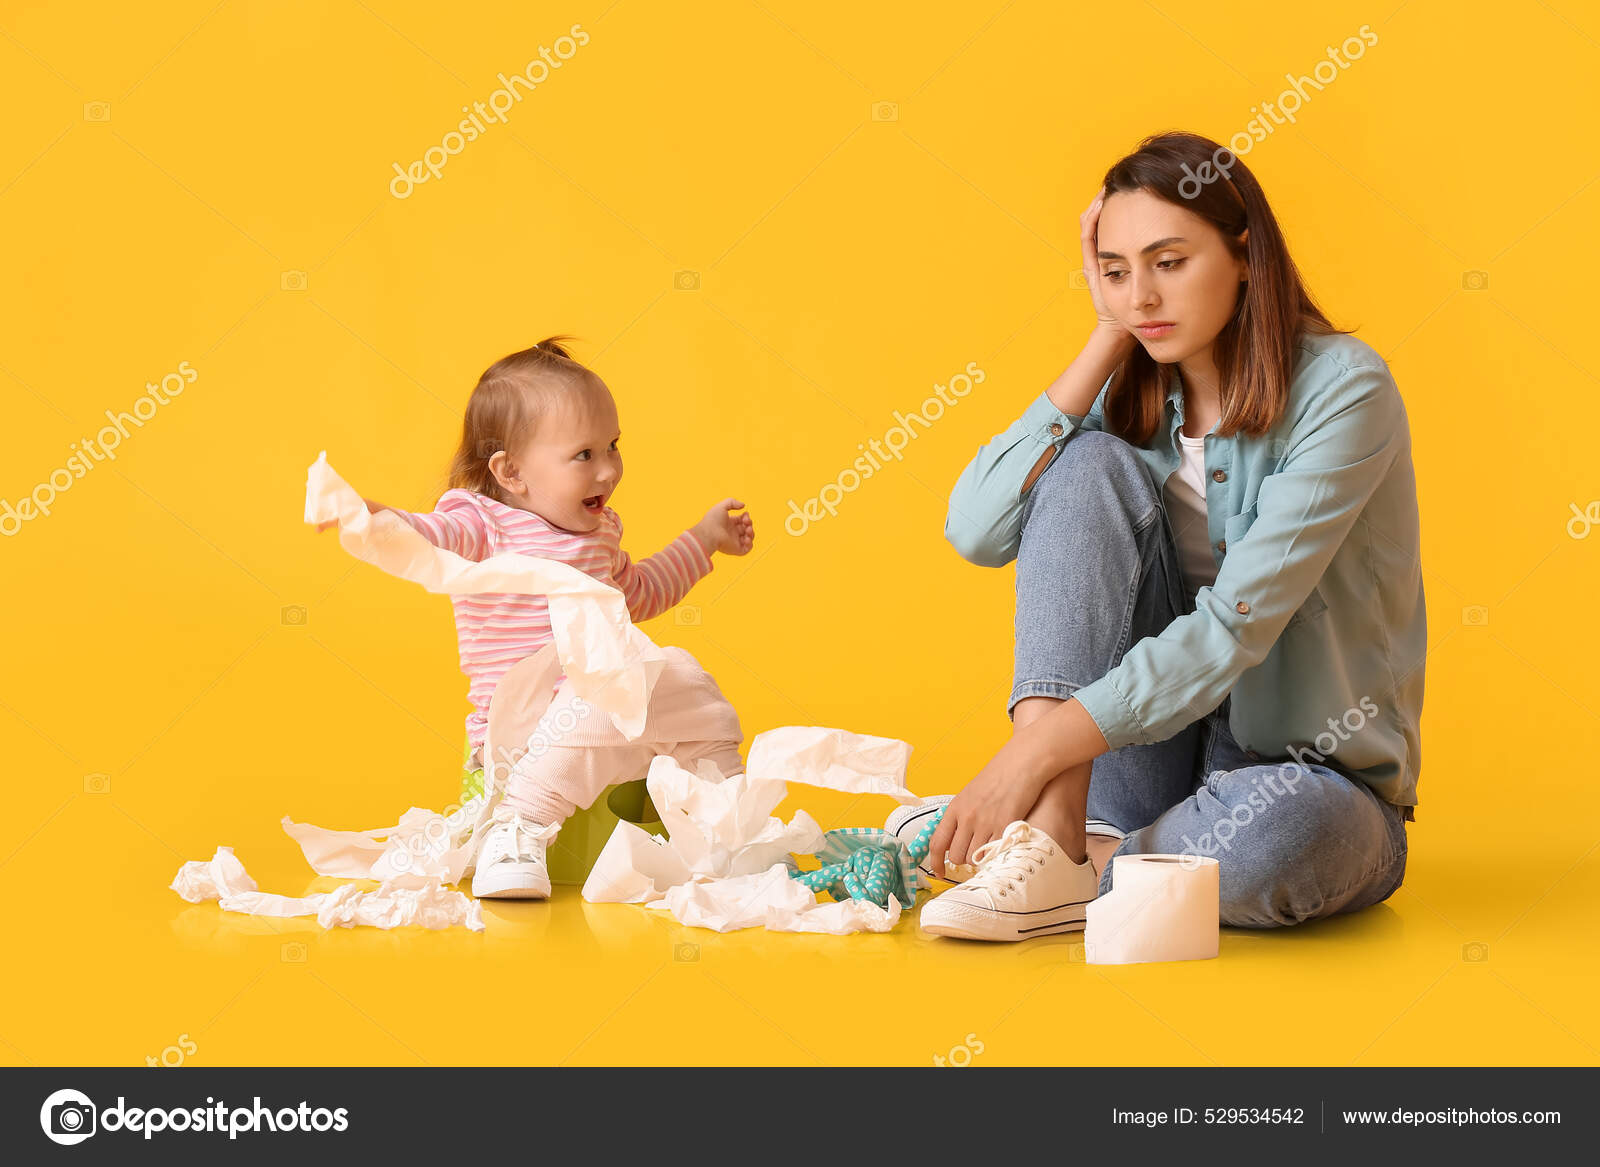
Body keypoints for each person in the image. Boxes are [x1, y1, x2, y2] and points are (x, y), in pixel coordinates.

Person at [906, 131, 1424, 940]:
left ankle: (1065, 855)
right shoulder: (1130, 387)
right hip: (1140, 769)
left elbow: (1232, 628)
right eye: (1116, 271)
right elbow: (976, 528)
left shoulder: (1346, 390)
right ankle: (1053, 840)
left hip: (1304, 782)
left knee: (1282, 832)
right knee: (1081, 466)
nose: (1141, 296)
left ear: (1245, 255)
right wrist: (1105, 335)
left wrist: (1027, 759)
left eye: (1169, 262)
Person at [317, 336, 754, 898]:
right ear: (511, 472)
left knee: (686, 679)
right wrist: (362, 515)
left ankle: (728, 824)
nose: (609, 470)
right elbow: (424, 535)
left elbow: (639, 594)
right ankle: (514, 827)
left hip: (597, 713)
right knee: (592, 691)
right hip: (518, 733)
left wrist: (704, 540)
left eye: (612, 446)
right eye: (584, 455)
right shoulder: (482, 524)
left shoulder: (598, 536)